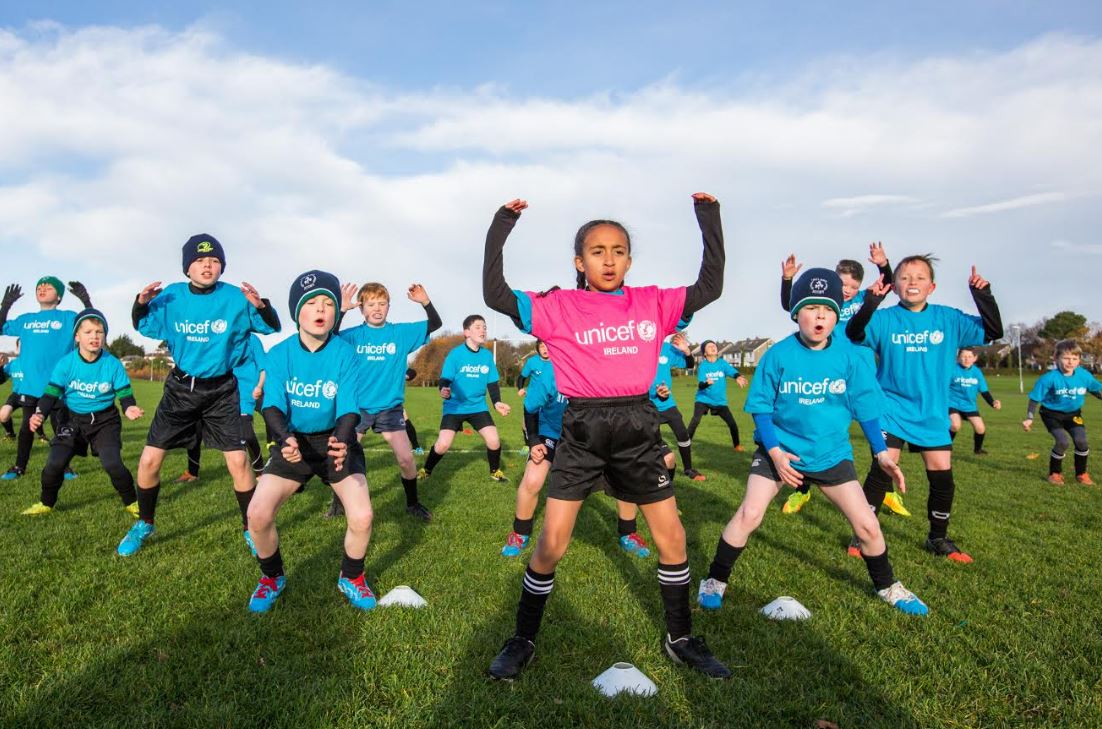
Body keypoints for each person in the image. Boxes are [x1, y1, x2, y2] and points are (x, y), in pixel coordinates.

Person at [483, 192, 730, 680]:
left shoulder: (652, 303)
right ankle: (522, 638)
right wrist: (501, 224)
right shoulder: (560, 307)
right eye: (597, 251)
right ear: (579, 261)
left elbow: (710, 285)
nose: (609, 259)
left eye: (618, 250)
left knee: (672, 538)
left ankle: (680, 637)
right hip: (582, 429)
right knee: (551, 542)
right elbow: (496, 294)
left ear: (630, 260)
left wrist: (709, 217)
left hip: (639, 427)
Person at [699, 269, 926, 615]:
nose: (820, 315)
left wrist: (881, 453)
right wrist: (775, 454)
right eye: (810, 307)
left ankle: (888, 586)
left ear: (837, 313)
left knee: (867, 524)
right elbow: (760, 409)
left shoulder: (849, 357)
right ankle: (715, 579)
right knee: (750, 512)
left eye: (828, 308)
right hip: (781, 451)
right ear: (795, 314)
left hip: (831, 455)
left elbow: (866, 409)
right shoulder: (778, 355)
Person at [116, 234, 281, 557]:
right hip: (181, 390)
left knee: (238, 461)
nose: (207, 265)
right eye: (200, 260)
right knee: (150, 460)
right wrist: (141, 302)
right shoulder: (172, 297)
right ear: (187, 267)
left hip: (222, 390)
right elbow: (141, 325)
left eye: (215, 260)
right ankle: (145, 523)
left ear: (222, 266)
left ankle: (250, 528)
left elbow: (271, 327)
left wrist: (262, 305)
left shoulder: (235, 298)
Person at [846, 257, 1002, 562]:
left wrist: (983, 296)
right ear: (897, 286)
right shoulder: (884, 318)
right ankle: (862, 534)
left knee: (942, 477)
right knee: (882, 470)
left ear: (932, 287)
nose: (912, 282)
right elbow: (854, 333)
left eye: (919, 277)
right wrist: (871, 302)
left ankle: (938, 538)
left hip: (931, 413)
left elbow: (992, 331)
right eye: (904, 277)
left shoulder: (949, 319)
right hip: (890, 408)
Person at [246, 270, 377, 612]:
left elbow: (350, 408)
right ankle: (272, 577)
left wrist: (343, 438)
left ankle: (352, 577)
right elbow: (272, 404)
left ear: (336, 314)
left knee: (362, 516)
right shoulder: (280, 354)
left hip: (335, 441)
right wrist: (284, 437)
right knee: (257, 514)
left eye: (328, 304)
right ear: (297, 312)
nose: (321, 309)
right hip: (295, 443)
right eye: (312, 303)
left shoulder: (344, 353)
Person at [779, 243, 895, 515]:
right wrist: (787, 280)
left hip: (858, 371)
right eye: (842, 284)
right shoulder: (821, 302)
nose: (847, 290)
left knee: (878, 425)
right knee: (814, 425)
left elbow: (886, 283)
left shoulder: (864, 300)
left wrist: (883, 265)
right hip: (824, 370)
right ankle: (802, 489)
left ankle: (884, 487)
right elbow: (789, 305)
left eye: (853, 287)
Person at [329, 282, 441, 522]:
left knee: (406, 458)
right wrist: (341, 311)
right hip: (357, 407)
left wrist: (425, 302)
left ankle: (412, 504)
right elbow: (329, 336)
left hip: (390, 408)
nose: (377, 309)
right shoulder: (353, 336)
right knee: (343, 456)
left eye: (382, 303)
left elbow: (435, 324)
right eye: (371, 304)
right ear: (362, 309)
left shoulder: (399, 334)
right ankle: (338, 502)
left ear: (389, 306)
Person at [21, 309, 144, 516]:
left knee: (113, 463)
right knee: (55, 464)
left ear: (105, 336)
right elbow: (51, 393)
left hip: (105, 421)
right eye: (88, 332)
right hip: (72, 419)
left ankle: (132, 502)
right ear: (77, 337)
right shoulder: (66, 363)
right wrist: (39, 413)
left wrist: (129, 407)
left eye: (99, 332)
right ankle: (46, 503)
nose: (94, 337)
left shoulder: (112, 364)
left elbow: (124, 394)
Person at [0, 277, 93, 480]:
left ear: (58, 295)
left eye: (48, 287)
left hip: (58, 385)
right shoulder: (26, 319)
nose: (42, 289)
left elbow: (93, 325)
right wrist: (5, 306)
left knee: (61, 428)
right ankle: (19, 467)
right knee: (26, 428)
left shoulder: (68, 317)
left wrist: (86, 302)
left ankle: (65, 466)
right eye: (39, 287)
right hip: (30, 386)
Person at [418, 315, 511, 483]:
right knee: (443, 445)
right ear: (466, 332)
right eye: (478, 327)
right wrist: (444, 389)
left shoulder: (487, 356)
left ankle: (495, 471)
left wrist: (497, 402)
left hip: (478, 406)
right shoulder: (455, 355)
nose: (483, 330)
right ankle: (426, 469)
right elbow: (445, 379)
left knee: (494, 440)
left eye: (484, 327)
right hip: (455, 407)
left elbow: (492, 383)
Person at [176, 334, 268, 483]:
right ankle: (192, 472)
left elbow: (263, 367)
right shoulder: (224, 335)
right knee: (195, 429)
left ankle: (260, 472)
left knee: (247, 434)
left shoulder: (253, 340)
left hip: (246, 392)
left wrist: (259, 386)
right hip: (220, 391)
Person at [1023, 340, 1102, 485]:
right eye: (1066, 358)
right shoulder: (1048, 378)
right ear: (1056, 358)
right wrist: (1029, 418)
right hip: (1051, 414)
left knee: (1081, 441)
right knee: (1062, 441)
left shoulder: (1083, 375)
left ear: (1079, 360)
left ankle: (1081, 474)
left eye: (1074, 358)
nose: (1070, 362)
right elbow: (1034, 399)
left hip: (1073, 414)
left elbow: (1096, 390)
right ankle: (1055, 474)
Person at [650, 331, 704, 481]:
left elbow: (689, 365)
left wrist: (687, 351)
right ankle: (659, 476)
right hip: (647, 406)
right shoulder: (639, 349)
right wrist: (655, 393)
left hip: (668, 404)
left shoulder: (666, 348)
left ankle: (688, 469)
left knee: (683, 435)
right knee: (653, 443)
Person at [687, 339, 748, 449]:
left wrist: (737, 376)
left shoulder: (722, 363)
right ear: (705, 353)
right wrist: (706, 383)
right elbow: (700, 385)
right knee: (695, 420)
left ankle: (737, 445)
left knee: (732, 424)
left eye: (714, 345)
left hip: (719, 401)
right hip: (703, 399)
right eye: (709, 346)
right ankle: (686, 444)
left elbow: (731, 371)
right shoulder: (703, 366)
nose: (713, 347)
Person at [949, 347, 1001, 454]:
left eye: (969, 357)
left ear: (975, 358)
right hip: (952, 403)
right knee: (955, 425)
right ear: (958, 358)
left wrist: (993, 403)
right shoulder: (952, 369)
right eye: (963, 356)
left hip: (969, 405)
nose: (966, 359)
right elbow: (941, 387)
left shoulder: (977, 372)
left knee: (980, 428)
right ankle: (946, 446)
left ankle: (978, 450)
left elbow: (984, 391)